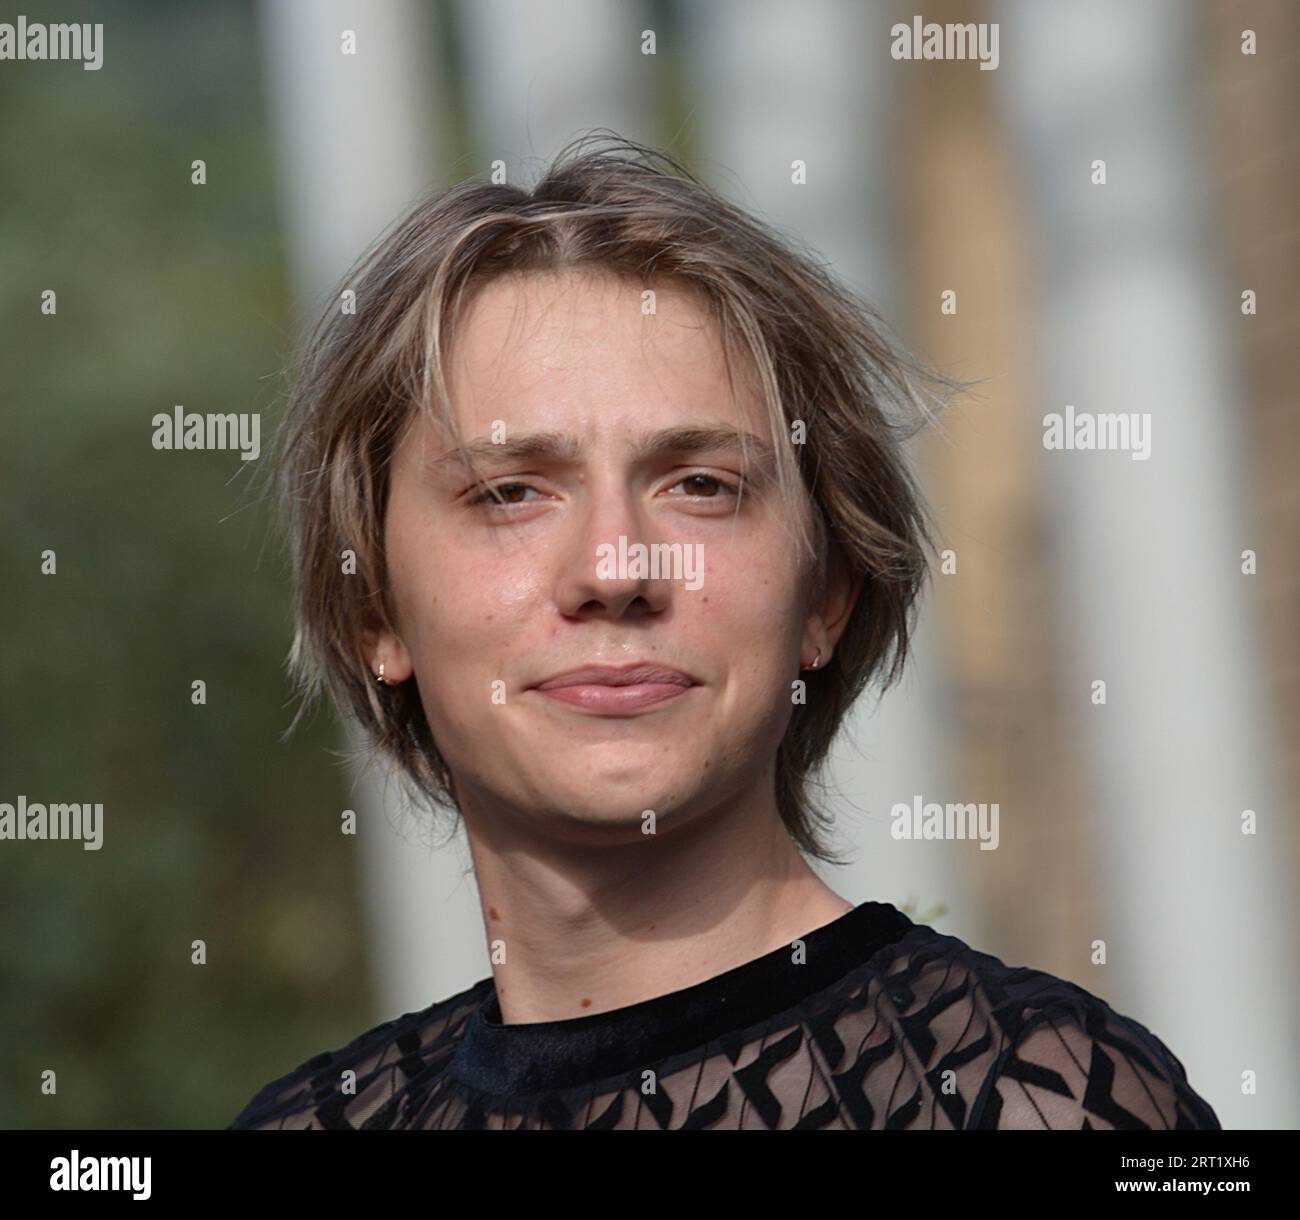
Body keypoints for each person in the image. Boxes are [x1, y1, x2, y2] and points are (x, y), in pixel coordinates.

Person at [228, 135, 1220, 1131]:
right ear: (374, 611)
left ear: (825, 595)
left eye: (700, 484)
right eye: (509, 490)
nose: (614, 569)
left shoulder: (1037, 1098)